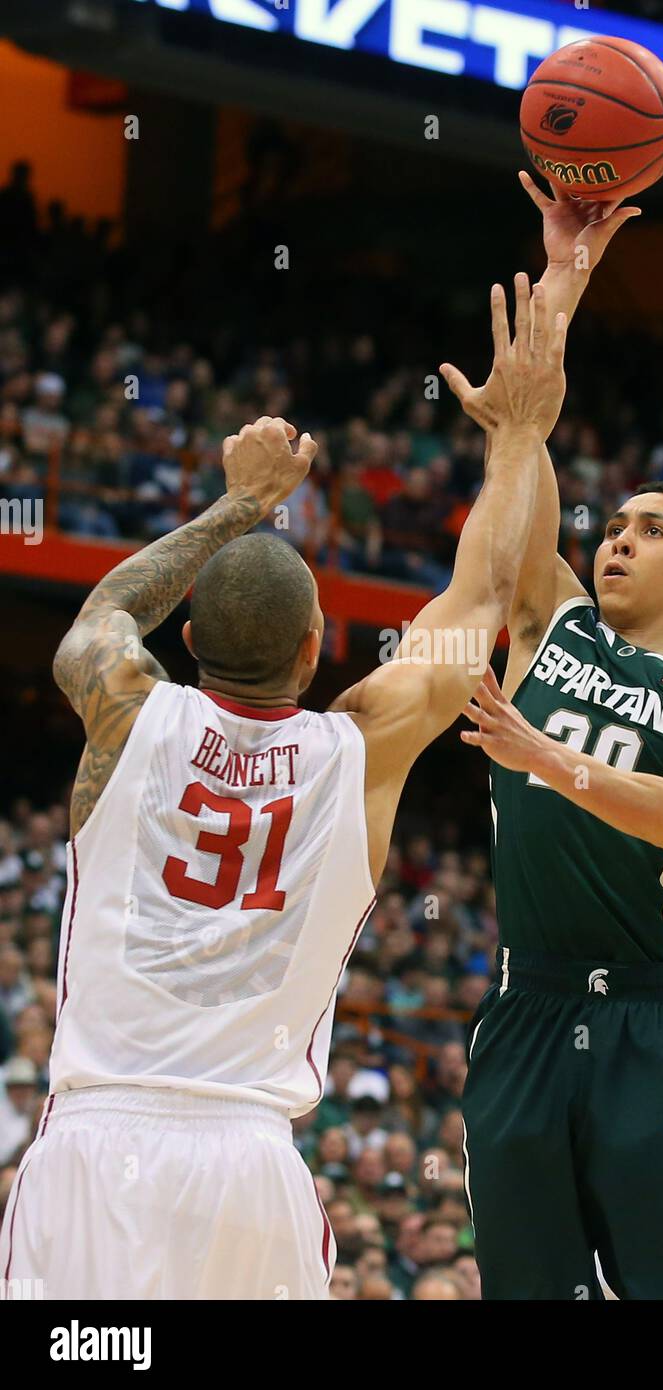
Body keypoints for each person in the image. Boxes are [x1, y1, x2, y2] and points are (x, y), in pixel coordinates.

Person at [0, 275, 569, 1299]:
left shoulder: (126, 709)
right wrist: (517, 430)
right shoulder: (359, 747)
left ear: (184, 641)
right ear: (317, 649)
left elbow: (102, 610)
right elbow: (483, 591)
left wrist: (241, 504)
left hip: (94, 1139)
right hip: (247, 1164)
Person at [449, 176, 663, 1300]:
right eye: (614, 525)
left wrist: (544, 759)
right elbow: (526, 434)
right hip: (523, 1004)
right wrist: (566, 273)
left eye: (651, 530)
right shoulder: (546, 618)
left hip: (649, 1016)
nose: (618, 540)